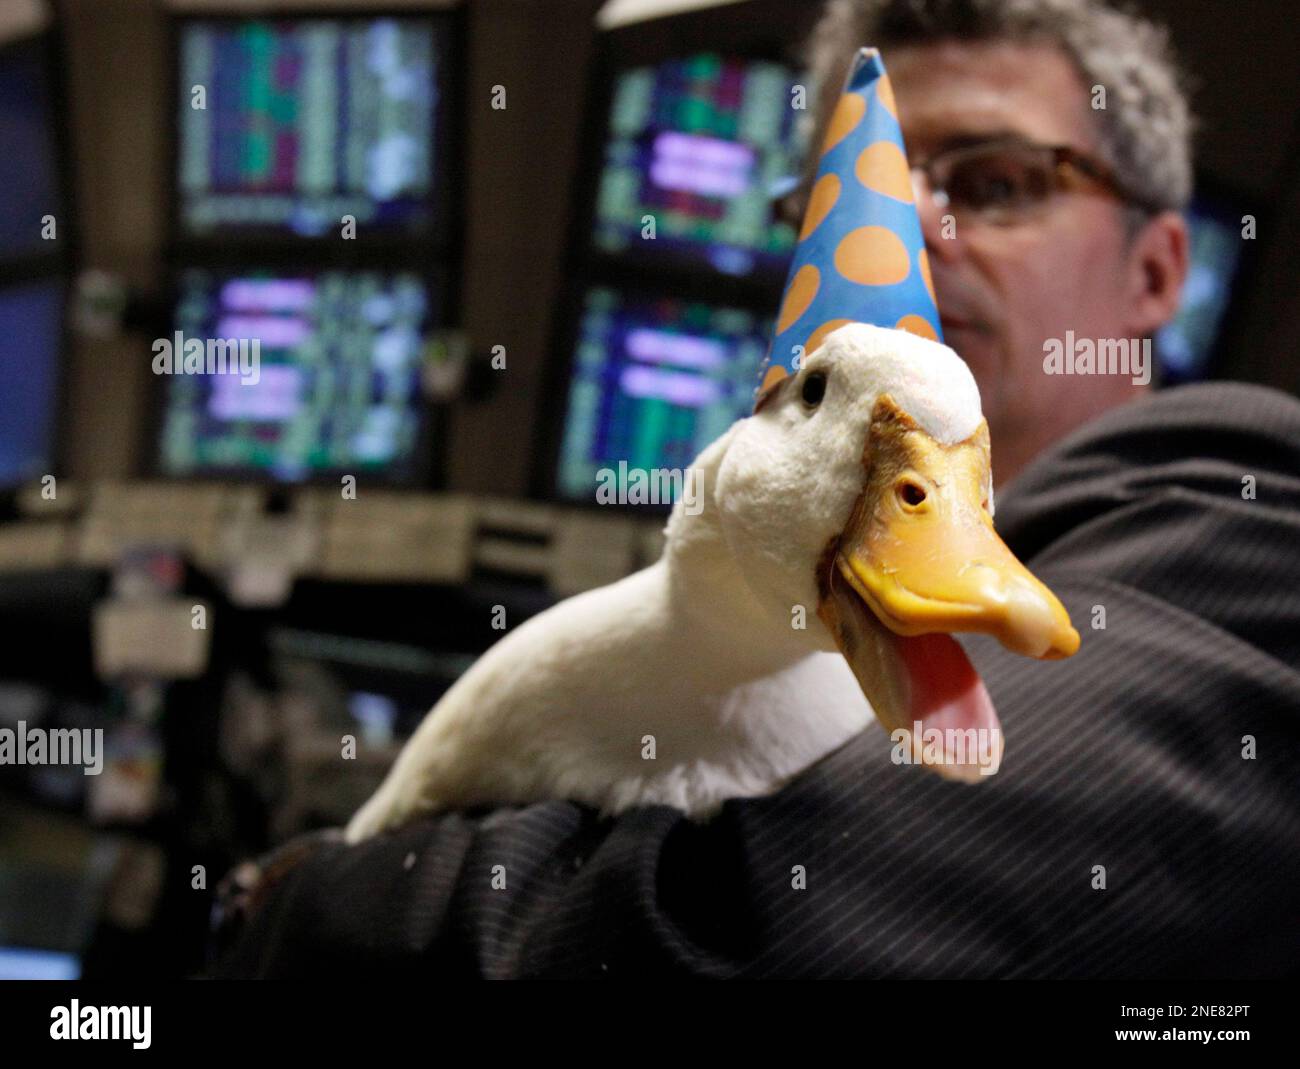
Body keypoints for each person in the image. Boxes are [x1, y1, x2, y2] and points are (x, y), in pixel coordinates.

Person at [210, 0, 1300, 978]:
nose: (922, 224)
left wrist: (286, 900)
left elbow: (747, 931)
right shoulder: (781, 600)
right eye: (851, 197)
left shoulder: (1251, 500)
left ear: (1158, 270)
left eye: (995, 183)